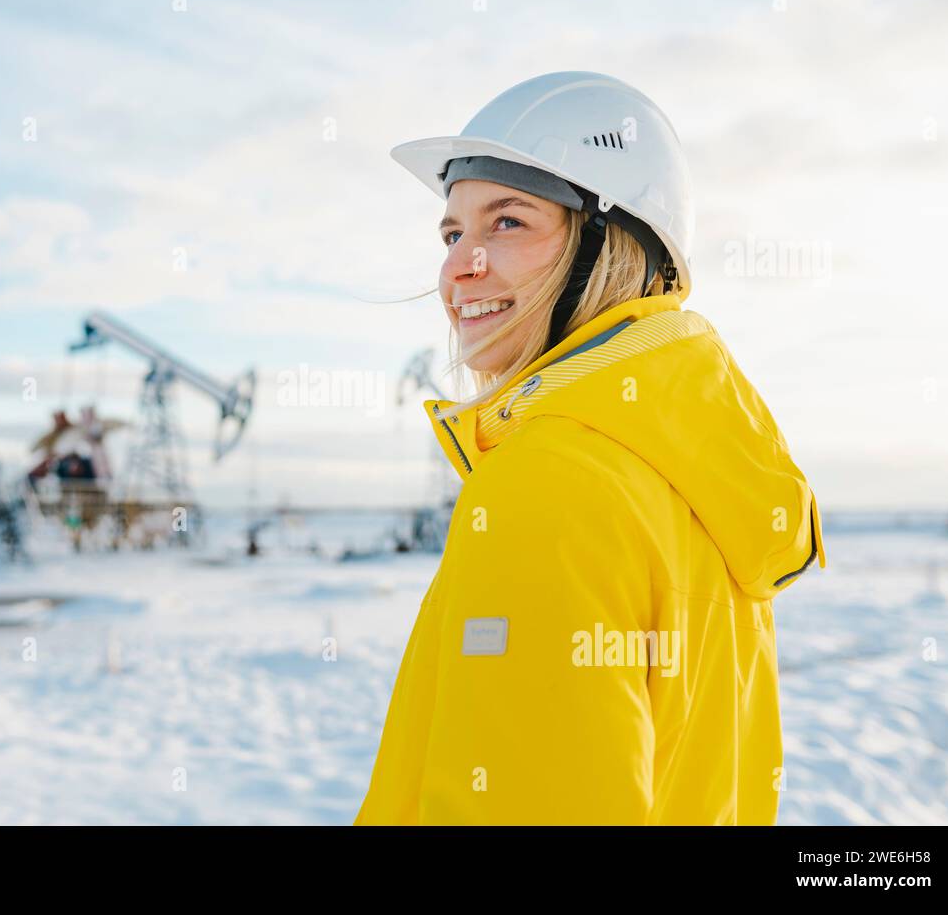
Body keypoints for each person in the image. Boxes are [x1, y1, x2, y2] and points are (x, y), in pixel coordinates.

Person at [354, 71, 826, 825]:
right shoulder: (704, 477)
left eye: (507, 221)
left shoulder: (547, 483)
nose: (456, 268)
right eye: (452, 233)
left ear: (612, 246)